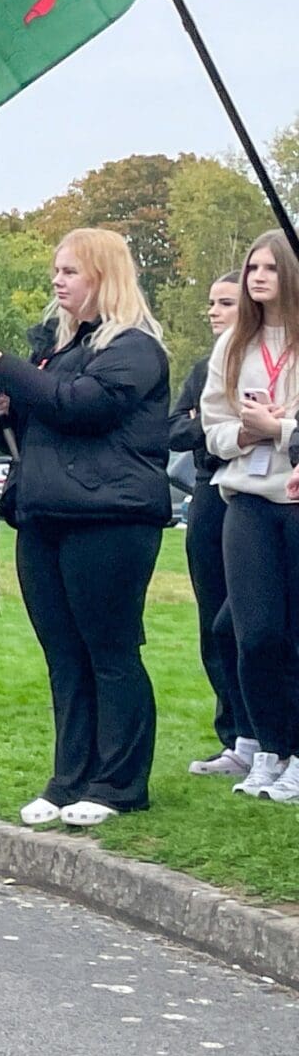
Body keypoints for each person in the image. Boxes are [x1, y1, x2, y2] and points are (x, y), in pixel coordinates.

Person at [0, 227, 171, 829]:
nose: (57, 281)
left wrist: (6, 370)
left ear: (103, 278)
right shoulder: (54, 351)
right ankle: (69, 776)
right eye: (57, 271)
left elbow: (83, 405)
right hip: (46, 512)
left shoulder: (135, 349)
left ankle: (119, 781)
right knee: (64, 653)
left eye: (71, 272)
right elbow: (41, 418)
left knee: (109, 649)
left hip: (110, 518)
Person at [199, 232, 299, 802]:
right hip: (248, 497)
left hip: (295, 497)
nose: (258, 277)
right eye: (250, 268)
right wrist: (242, 432)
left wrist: (280, 430)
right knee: (253, 632)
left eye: (270, 268)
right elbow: (211, 424)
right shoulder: (234, 344)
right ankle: (269, 746)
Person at [173, 272, 251, 777]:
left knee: (247, 618)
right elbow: (175, 428)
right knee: (212, 620)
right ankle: (235, 732)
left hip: (254, 493)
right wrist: (213, 424)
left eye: (225, 302)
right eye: (211, 302)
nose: (214, 311)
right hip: (209, 492)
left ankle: (269, 730)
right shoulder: (205, 370)